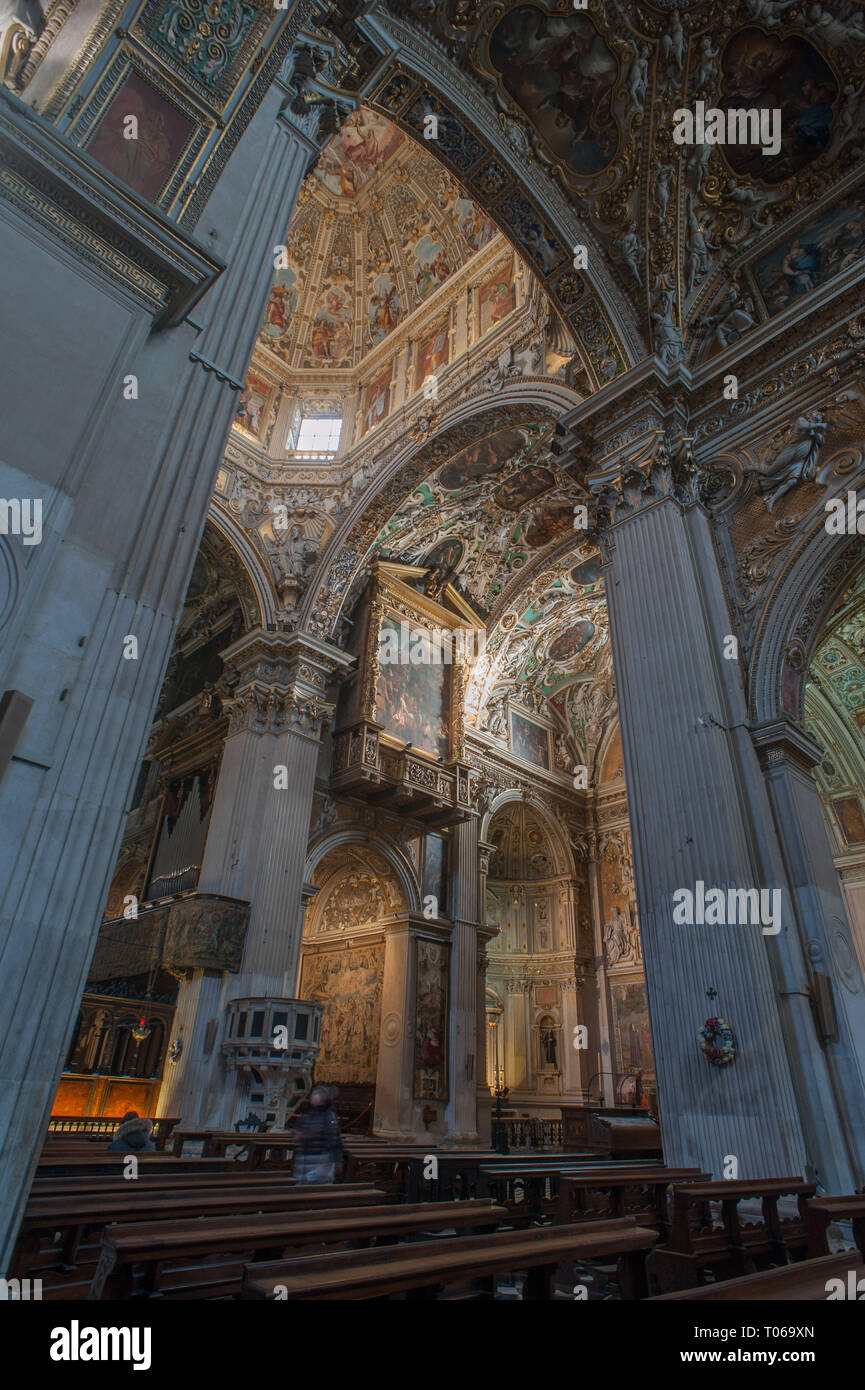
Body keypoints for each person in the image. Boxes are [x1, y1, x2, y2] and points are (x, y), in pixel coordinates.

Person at [291, 1085, 343, 1184]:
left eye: (318, 1094)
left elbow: (334, 1140)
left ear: (324, 1098)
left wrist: (333, 1161)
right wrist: (297, 1136)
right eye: (314, 1093)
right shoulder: (306, 1114)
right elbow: (297, 1134)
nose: (314, 1096)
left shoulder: (329, 1116)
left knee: (319, 1191)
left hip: (321, 1160)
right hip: (304, 1159)